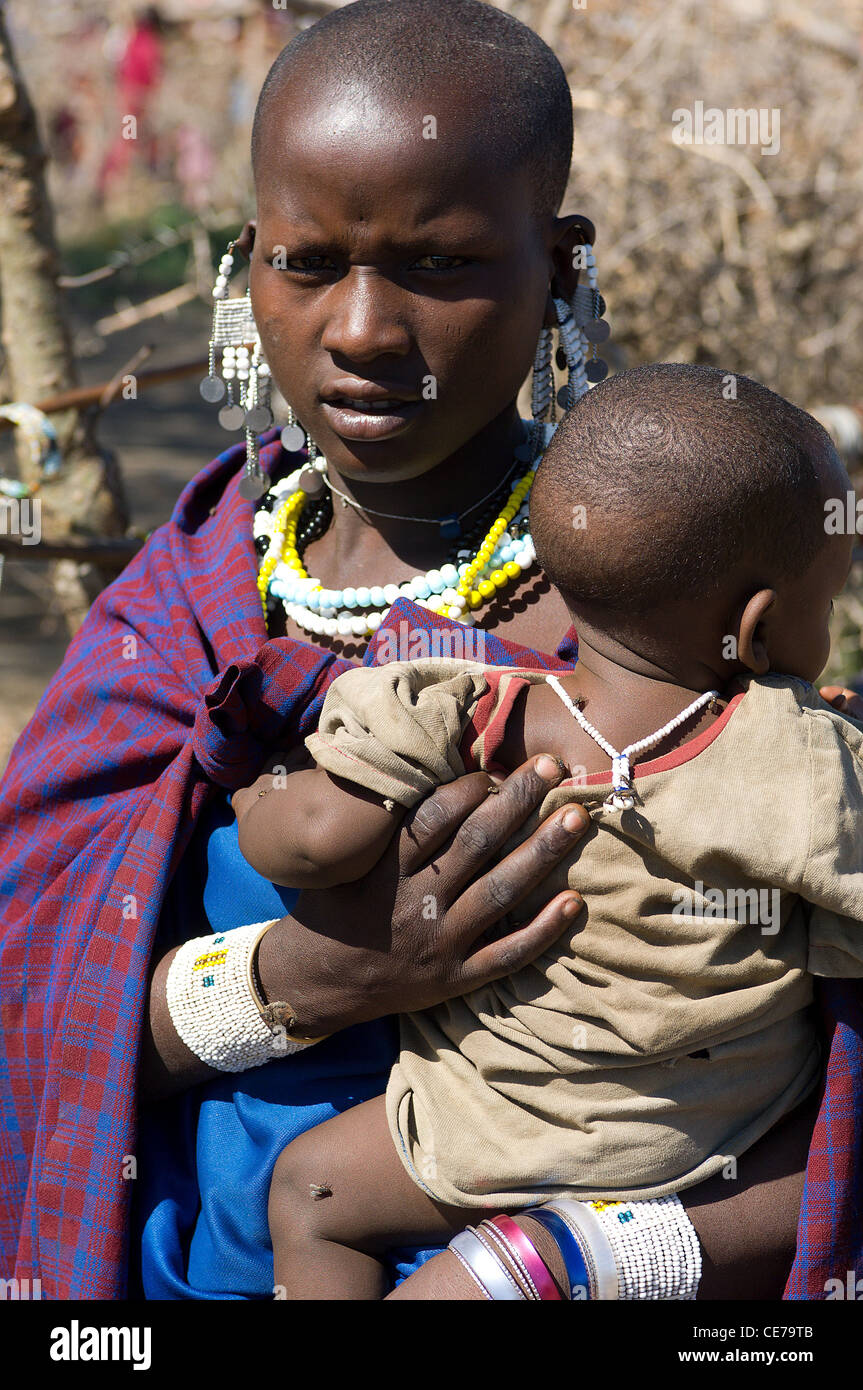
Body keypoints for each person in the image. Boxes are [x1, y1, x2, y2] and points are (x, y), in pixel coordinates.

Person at [1, 0, 860, 1301]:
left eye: (440, 264)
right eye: (307, 262)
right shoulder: (178, 601)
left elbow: (823, 1102)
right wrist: (302, 978)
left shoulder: (662, 633)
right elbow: (34, 1001)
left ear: (559, 269)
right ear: (248, 268)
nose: (359, 328)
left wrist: (567, 1259)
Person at [226, 364, 863, 1299]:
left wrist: (257, 805)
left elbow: (313, 841)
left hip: (485, 1122)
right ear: (756, 628)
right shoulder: (801, 760)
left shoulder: (463, 708)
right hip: (700, 1140)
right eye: (830, 600)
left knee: (310, 1194)